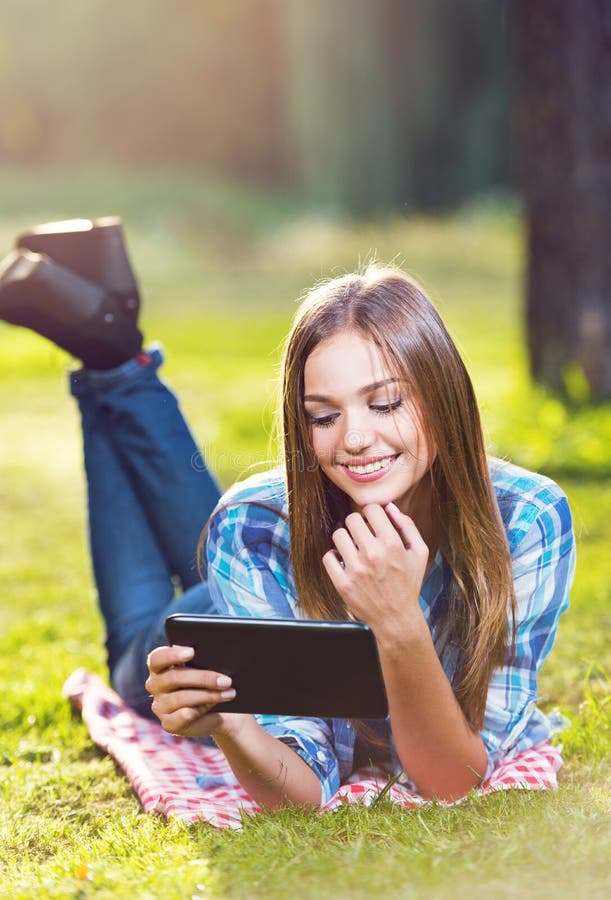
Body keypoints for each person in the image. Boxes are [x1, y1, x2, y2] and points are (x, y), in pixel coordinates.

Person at [0, 219, 576, 811]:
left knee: (237, 525)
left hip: (266, 577)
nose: (354, 438)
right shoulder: (251, 526)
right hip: (258, 582)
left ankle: (106, 350)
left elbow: (453, 781)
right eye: (323, 417)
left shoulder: (525, 521)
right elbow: (300, 777)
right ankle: (106, 354)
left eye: (384, 403)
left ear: (442, 392)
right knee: (135, 651)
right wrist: (231, 721)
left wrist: (398, 621)